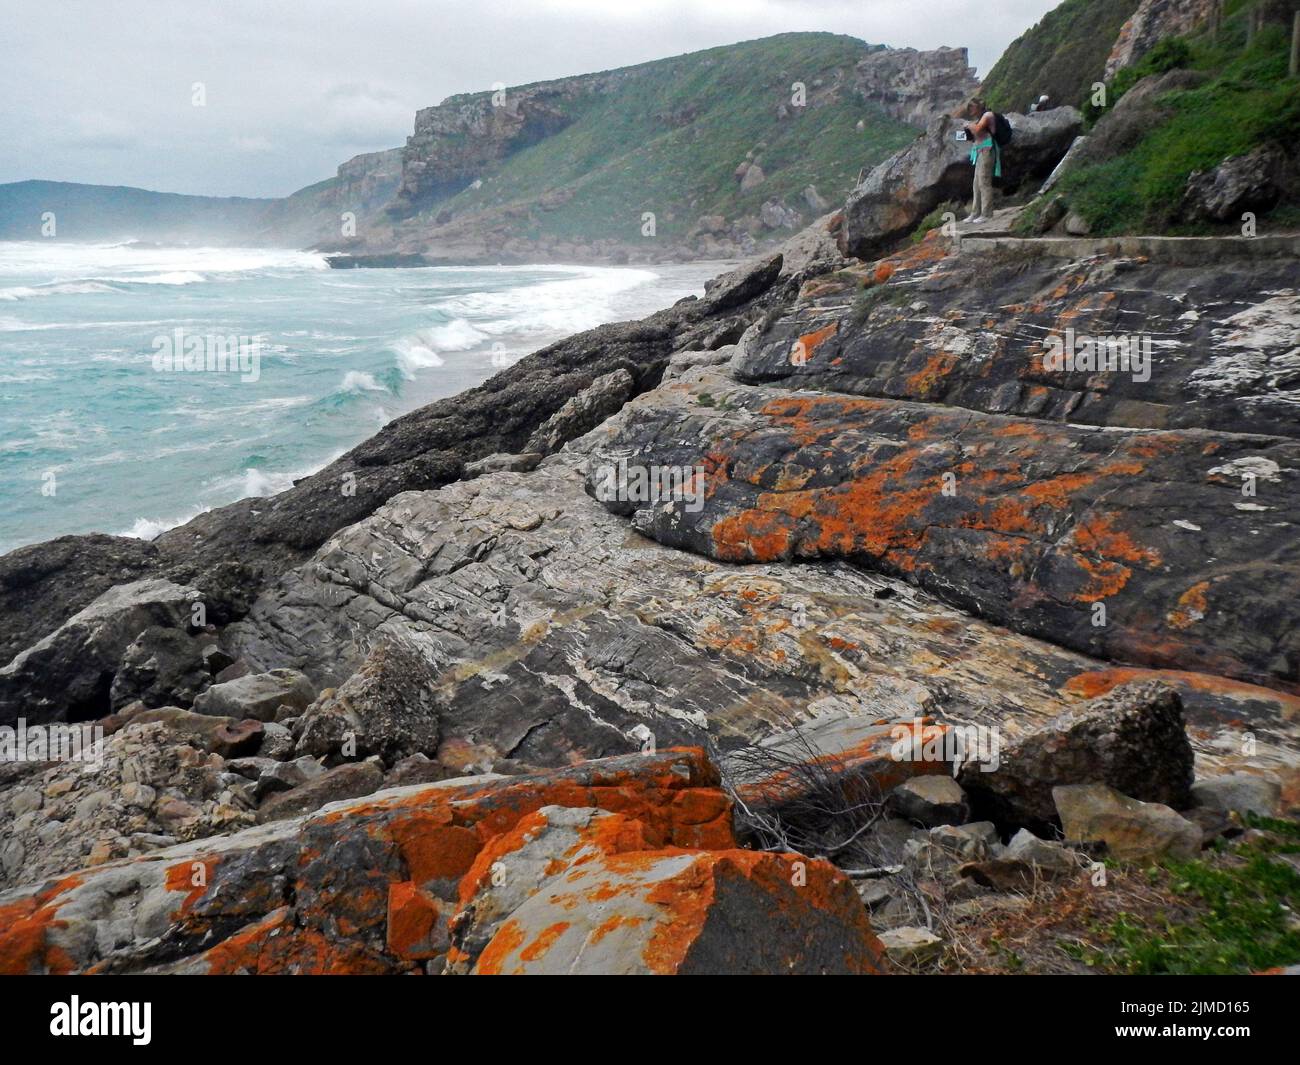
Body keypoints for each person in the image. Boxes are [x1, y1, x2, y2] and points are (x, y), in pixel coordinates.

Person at [963, 102, 1001, 224]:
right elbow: (978, 134)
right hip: (979, 152)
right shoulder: (979, 119)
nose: (970, 110)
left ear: (979, 106)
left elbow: (978, 128)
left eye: (972, 107)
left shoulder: (988, 115)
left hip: (987, 151)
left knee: (984, 182)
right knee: (976, 184)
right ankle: (975, 213)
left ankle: (987, 213)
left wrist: (969, 125)